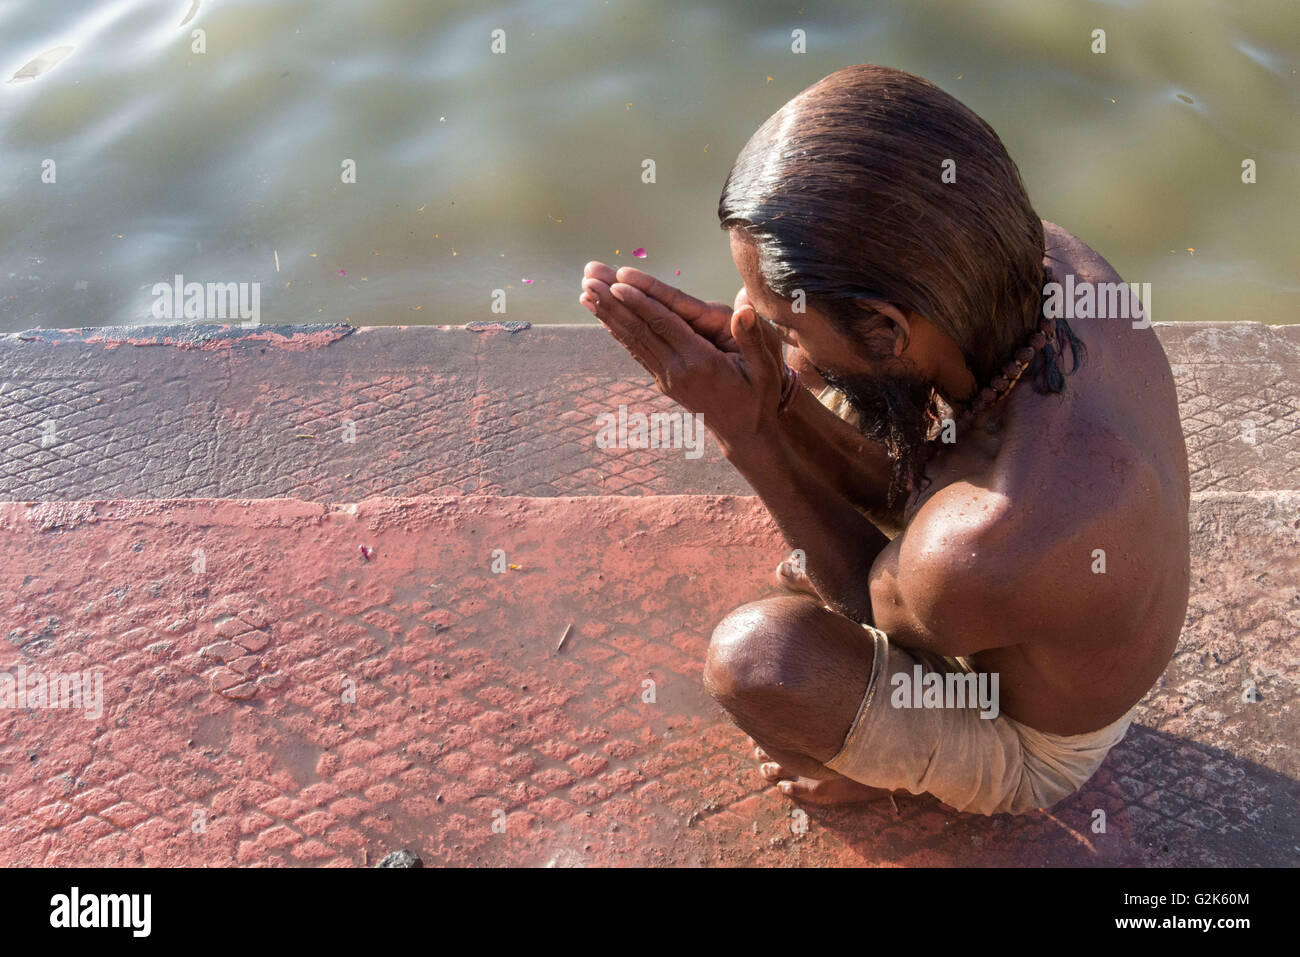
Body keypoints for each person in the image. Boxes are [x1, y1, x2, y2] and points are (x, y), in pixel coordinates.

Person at [578, 64, 1189, 814]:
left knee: (758, 659)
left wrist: (745, 430)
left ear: (889, 327)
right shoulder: (1055, 259)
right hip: (1015, 583)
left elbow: (869, 598)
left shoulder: (986, 537)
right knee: (812, 373)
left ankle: (885, 776)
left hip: (1039, 739)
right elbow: (930, 501)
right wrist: (778, 385)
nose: (765, 325)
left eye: (788, 318)